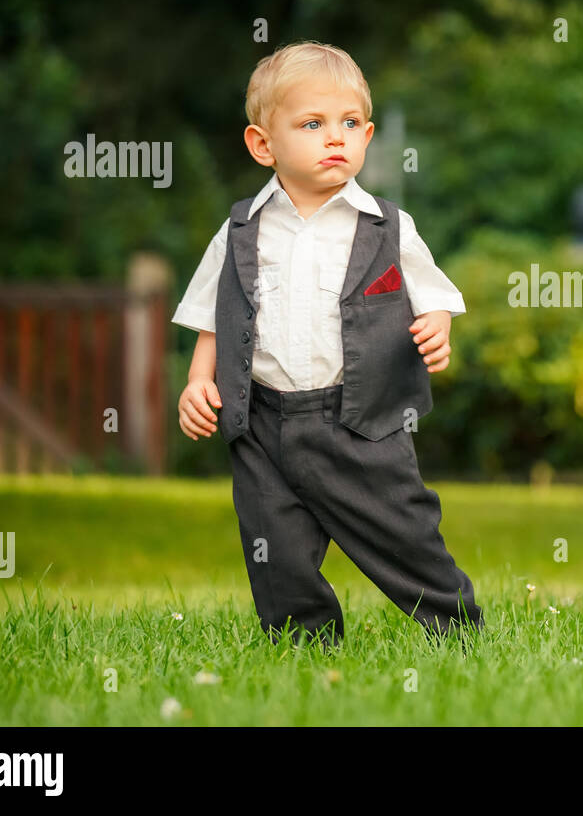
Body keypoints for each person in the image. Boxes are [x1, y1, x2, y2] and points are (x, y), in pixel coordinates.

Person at [172, 40, 483, 648]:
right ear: (264, 145)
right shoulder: (240, 229)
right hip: (264, 422)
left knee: (403, 531)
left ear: (367, 135)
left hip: (360, 419)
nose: (334, 138)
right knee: (275, 546)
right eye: (312, 124)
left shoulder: (385, 226)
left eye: (348, 124)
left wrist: (437, 329)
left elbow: (435, 294)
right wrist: (197, 380)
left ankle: (456, 628)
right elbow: (214, 312)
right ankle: (304, 644)